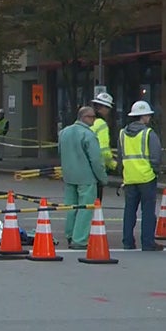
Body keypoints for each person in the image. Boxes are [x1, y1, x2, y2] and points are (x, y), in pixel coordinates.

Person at [117, 100, 164, 251]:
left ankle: (128, 242)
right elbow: (156, 157)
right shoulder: (148, 133)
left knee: (129, 211)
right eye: (148, 115)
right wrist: (156, 171)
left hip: (130, 178)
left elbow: (120, 156)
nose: (149, 118)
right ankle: (148, 242)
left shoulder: (122, 133)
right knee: (148, 212)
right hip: (147, 177)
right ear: (143, 116)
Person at [59, 106, 108, 249]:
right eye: (92, 117)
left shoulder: (64, 133)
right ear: (84, 117)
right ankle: (80, 239)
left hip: (68, 176)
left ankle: (69, 234)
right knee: (85, 209)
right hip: (86, 177)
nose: (94, 119)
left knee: (71, 207)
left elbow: (60, 152)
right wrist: (102, 178)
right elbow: (96, 160)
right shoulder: (88, 135)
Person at [91, 92, 116, 200]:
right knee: (96, 204)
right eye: (108, 108)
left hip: (80, 169)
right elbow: (104, 151)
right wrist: (113, 165)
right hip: (95, 169)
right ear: (103, 108)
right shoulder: (101, 124)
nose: (109, 112)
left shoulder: (85, 121)